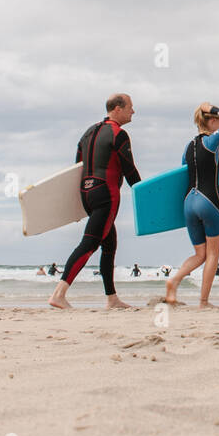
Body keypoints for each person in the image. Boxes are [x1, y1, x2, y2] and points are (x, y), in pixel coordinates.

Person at [50, 93, 141, 310]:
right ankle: (58, 294)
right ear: (117, 109)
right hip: (106, 193)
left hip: (87, 193)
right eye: (130, 107)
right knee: (89, 243)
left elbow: (77, 167)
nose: (133, 111)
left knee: (109, 244)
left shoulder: (88, 133)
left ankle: (112, 299)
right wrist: (145, 197)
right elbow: (129, 170)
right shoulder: (119, 134)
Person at [165, 103, 219, 308]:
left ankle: (174, 279)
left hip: (188, 203)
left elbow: (181, 173)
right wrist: (214, 107)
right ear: (211, 121)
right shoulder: (212, 141)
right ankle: (203, 301)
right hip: (209, 202)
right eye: (218, 119)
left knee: (200, 254)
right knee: (213, 254)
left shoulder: (188, 147)